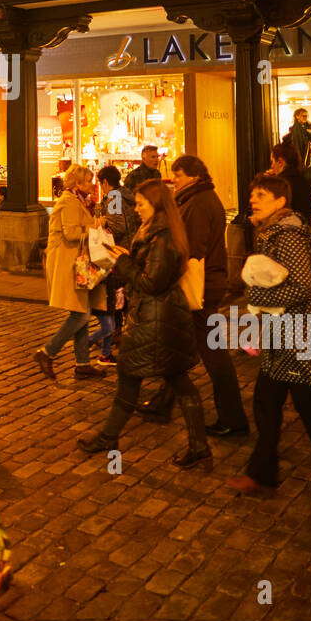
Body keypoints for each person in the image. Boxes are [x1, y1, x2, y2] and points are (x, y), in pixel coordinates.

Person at [228, 174, 311, 515]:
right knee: (266, 404)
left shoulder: (286, 234)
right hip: (282, 335)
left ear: (280, 202)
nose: (253, 200)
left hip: (298, 335)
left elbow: (302, 287)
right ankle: (262, 474)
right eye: (252, 195)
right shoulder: (274, 232)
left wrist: (256, 296)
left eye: (261, 195)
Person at [77, 179, 211, 469]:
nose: (135, 209)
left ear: (157, 204)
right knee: (166, 380)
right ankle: (196, 447)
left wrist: (121, 264)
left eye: (140, 203)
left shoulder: (163, 236)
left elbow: (151, 282)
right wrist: (127, 256)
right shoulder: (154, 230)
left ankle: (110, 438)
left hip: (156, 319)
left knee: (141, 378)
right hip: (157, 318)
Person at [136, 155, 249, 438]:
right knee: (177, 346)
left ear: (194, 176)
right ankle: (164, 403)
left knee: (212, 351)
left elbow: (193, 248)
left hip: (200, 286)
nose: (173, 180)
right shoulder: (195, 198)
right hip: (203, 283)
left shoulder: (199, 202)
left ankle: (232, 417)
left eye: (178, 175)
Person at [35, 164, 108, 382]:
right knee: (81, 314)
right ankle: (47, 352)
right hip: (67, 262)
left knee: (82, 310)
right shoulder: (68, 201)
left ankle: (82, 364)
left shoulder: (79, 201)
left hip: (78, 262)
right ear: (77, 183)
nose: (91, 184)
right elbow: (71, 233)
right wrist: (96, 225)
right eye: (87, 181)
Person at [90, 165, 138, 364]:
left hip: (119, 252)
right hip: (126, 251)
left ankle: (118, 333)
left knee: (118, 295)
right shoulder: (124, 195)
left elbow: (117, 226)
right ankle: (119, 332)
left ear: (105, 182)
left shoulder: (115, 197)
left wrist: (103, 223)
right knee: (121, 294)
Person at [268, 142, 311, 225]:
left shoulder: (281, 185)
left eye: (272, 162)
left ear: (280, 162)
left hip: (286, 232)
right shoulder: (305, 182)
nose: (271, 166)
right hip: (303, 231)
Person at [286, 108, 311, 185]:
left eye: (306, 116)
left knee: (309, 178)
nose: (305, 118)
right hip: (300, 156)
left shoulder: (309, 126)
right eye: (303, 116)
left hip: (309, 155)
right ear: (297, 116)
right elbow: (296, 144)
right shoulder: (294, 129)